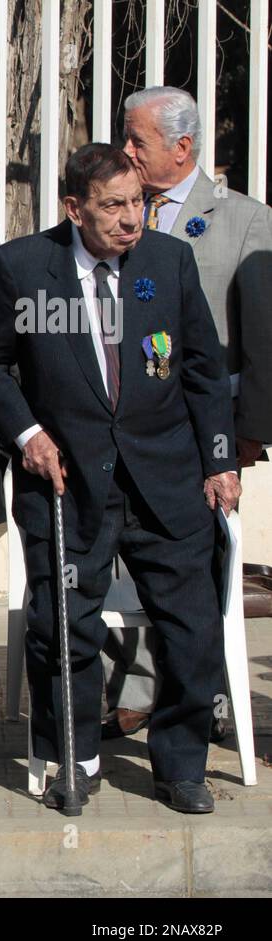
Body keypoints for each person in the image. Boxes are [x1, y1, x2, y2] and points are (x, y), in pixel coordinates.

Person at [0, 143, 239, 814]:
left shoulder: (168, 260)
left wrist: (220, 460)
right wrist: (28, 435)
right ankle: (75, 756)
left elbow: (205, 369)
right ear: (73, 208)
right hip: (66, 478)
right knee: (64, 626)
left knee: (192, 627)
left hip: (167, 477)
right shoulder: (22, 265)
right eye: (113, 206)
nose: (131, 220)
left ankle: (180, 763)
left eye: (139, 204)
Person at [100, 85, 272, 739]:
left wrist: (248, 429)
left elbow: (258, 331)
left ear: (182, 146)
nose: (126, 150)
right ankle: (136, 690)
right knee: (127, 558)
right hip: (125, 420)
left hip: (205, 426)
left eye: (137, 140)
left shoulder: (244, 218)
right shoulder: (115, 209)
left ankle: (211, 698)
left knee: (200, 568)